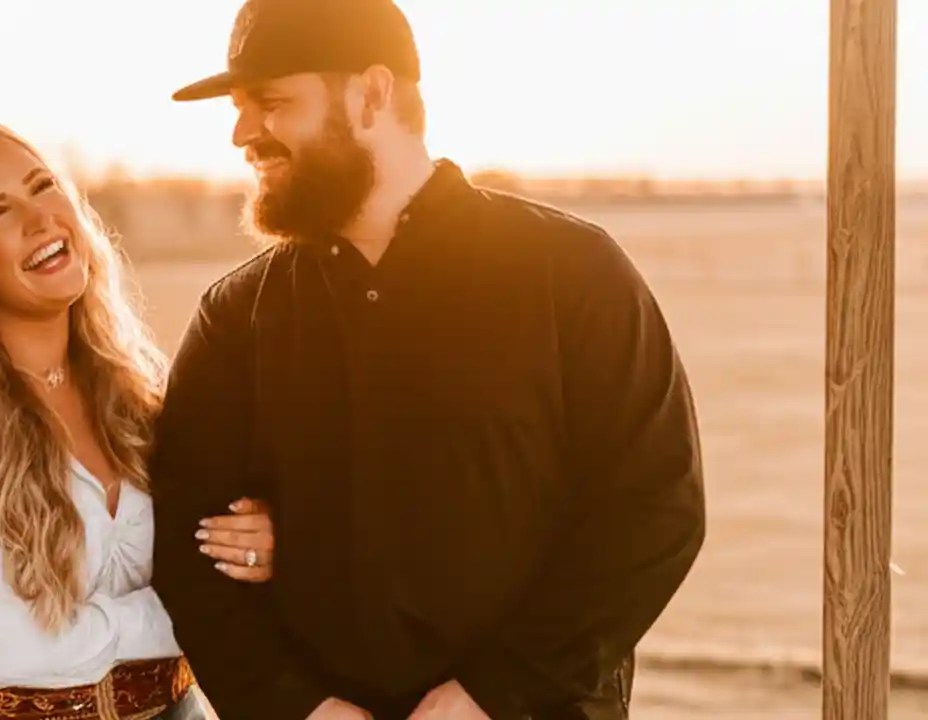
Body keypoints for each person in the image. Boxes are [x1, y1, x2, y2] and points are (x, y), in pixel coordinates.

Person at [149, 1, 706, 719]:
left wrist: (492, 694)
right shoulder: (238, 317)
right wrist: (298, 707)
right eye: (238, 108)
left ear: (373, 94)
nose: (242, 134)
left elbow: (654, 509)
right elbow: (187, 549)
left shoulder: (570, 272)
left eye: (272, 103)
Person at [0, 121, 276, 720]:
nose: (39, 218)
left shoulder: (132, 388)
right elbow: (2, 645)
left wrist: (258, 547)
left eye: (43, 186)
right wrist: (189, 613)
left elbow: (214, 550)